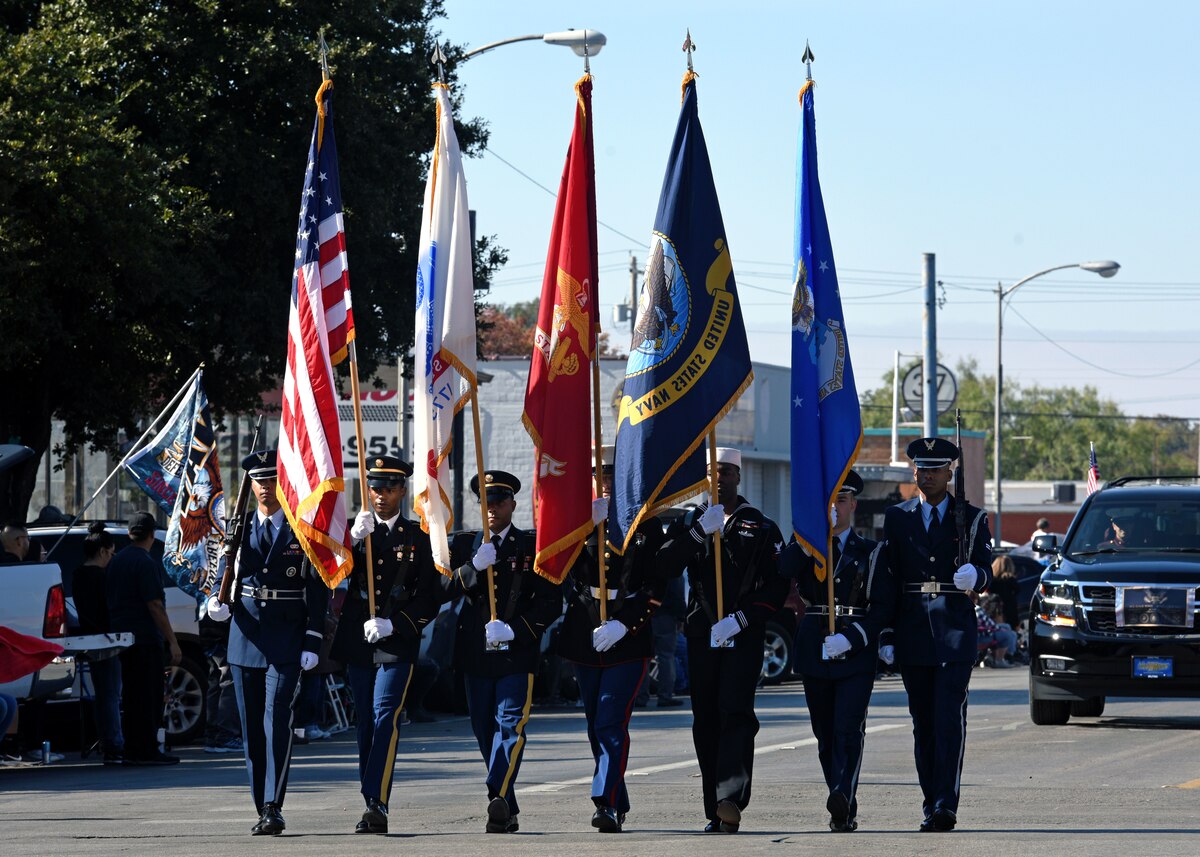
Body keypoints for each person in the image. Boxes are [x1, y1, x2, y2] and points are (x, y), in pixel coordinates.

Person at [658, 447, 789, 833]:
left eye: (727, 472)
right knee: (706, 719)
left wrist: (742, 618)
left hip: (742, 635)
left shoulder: (761, 526)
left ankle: (731, 797)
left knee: (736, 712)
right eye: (713, 472)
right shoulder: (690, 521)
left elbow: (778, 585)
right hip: (703, 633)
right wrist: (698, 533)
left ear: (738, 477)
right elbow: (665, 565)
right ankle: (713, 808)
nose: (719, 478)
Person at [204, 450, 328, 836]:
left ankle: (274, 804)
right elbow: (223, 571)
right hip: (245, 635)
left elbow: (317, 587)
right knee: (252, 729)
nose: (264, 488)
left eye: (271, 480)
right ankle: (262, 805)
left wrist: (313, 637)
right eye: (258, 481)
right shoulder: (237, 528)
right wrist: (215, 602)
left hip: (288, 636)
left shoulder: (300, 527)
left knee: (276, 719)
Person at [558, 445, 676, 833]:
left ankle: (605, 802)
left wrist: (625, 624)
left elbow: (657, 585)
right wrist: (581, 530)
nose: (605, 482)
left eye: (610, 475)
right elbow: (558, 570)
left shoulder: (644, 523)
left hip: (628, 636)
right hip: (585, 634)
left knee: (610, 720)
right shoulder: (577, 520)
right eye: (598, 475)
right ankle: (618, 798)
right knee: (595, 723)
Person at [441, 470, 563, 834]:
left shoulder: (531, 545)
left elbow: (551, 601)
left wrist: (516, 630)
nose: (491, 509)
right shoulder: (465, 544)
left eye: (499, 501)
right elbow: (440, 589)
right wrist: (472, 567)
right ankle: (505, 806)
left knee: (510, 725)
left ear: (513, 504)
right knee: (484, 729)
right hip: (475, 652)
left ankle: (496, 790)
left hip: (516, 653)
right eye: (486, 502)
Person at [884, 436, 993, 833]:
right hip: (913, 629)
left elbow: (988, 569)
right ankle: (930, 801)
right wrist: (887, 634)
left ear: (950, 473)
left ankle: (946, 804)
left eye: (935, 469)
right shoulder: (897, 517)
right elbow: (889, 579)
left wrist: (976, 575)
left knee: (948, 720)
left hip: (954, 631)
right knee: (923, 724)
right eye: (921, 469)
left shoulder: (973, 517)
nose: (926, 475)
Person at [332, 456, 442, 835]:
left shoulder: (418, 537)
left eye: (389, 488)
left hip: (396, 641)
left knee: (384, 717)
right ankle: (371, 799)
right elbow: (327, 575)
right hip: (359, 639)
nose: (381, 495)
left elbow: (430, 597)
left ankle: (377, 802)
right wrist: (349, 541)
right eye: (375, 488)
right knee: (365, 721)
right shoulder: (353, 531)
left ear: (402, 491)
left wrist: (394, 624)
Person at [781, 469, 895, 833]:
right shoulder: (807, 545)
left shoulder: (871, 552)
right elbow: (780, 571)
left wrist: (854, 637)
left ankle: (843, 794)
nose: (835, 508)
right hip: (814, 646)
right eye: (830, 502)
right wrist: (809, 538)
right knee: (825, 732)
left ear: (853, 505)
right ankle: (840, 800)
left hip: (855, 651)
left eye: (841, 500)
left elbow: (883, 607)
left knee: (848, 728)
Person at [106, 510, 182, 766]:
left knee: (131, 695)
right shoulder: (146, 563)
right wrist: (172, 640)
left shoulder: (116, 561)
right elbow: (155, 605)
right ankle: (147, 750)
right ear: (152, 534)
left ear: (129, 533)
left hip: (122, 639)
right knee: (149, 696)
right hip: (145, 639)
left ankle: (133, 749)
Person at [67, 523, 124, 764]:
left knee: (103, 693)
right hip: (108, 638)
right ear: (102, 551)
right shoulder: (103, 577)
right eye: (111, 553)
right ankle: (114, 743)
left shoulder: (78, 574)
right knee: (111, 694)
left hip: (89, 637)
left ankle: (107, 740)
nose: (112, 558)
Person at [972, 592, 1018, 667]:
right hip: (981, 636)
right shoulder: (977, 609)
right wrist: (1001, 630)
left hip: (972, 635)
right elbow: (991, 625)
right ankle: (1003, 659)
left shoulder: (962, 608)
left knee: (1007, 627)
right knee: (1007, 635)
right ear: (975, 599)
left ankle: (1004, 656)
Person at [988, 555, 1021, 630]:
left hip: (992, 616)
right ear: (1010, 566)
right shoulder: (1011, 581)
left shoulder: (990, 581)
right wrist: (1016, 623)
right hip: (1008, 617)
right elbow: (1013, 605)